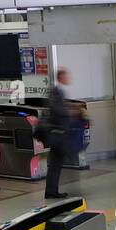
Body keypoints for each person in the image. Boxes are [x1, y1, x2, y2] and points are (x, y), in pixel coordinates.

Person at [43, 68, 73, 199]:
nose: (68, 78)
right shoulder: (55, 91)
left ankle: (53, 190)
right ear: (60, 77)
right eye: (66, 76)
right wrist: (69, 113)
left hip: (61, 133)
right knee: (55, 163)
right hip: (57, 133)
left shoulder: (60, 91)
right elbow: (55, 109)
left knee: (57, 163)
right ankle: (51, 191)